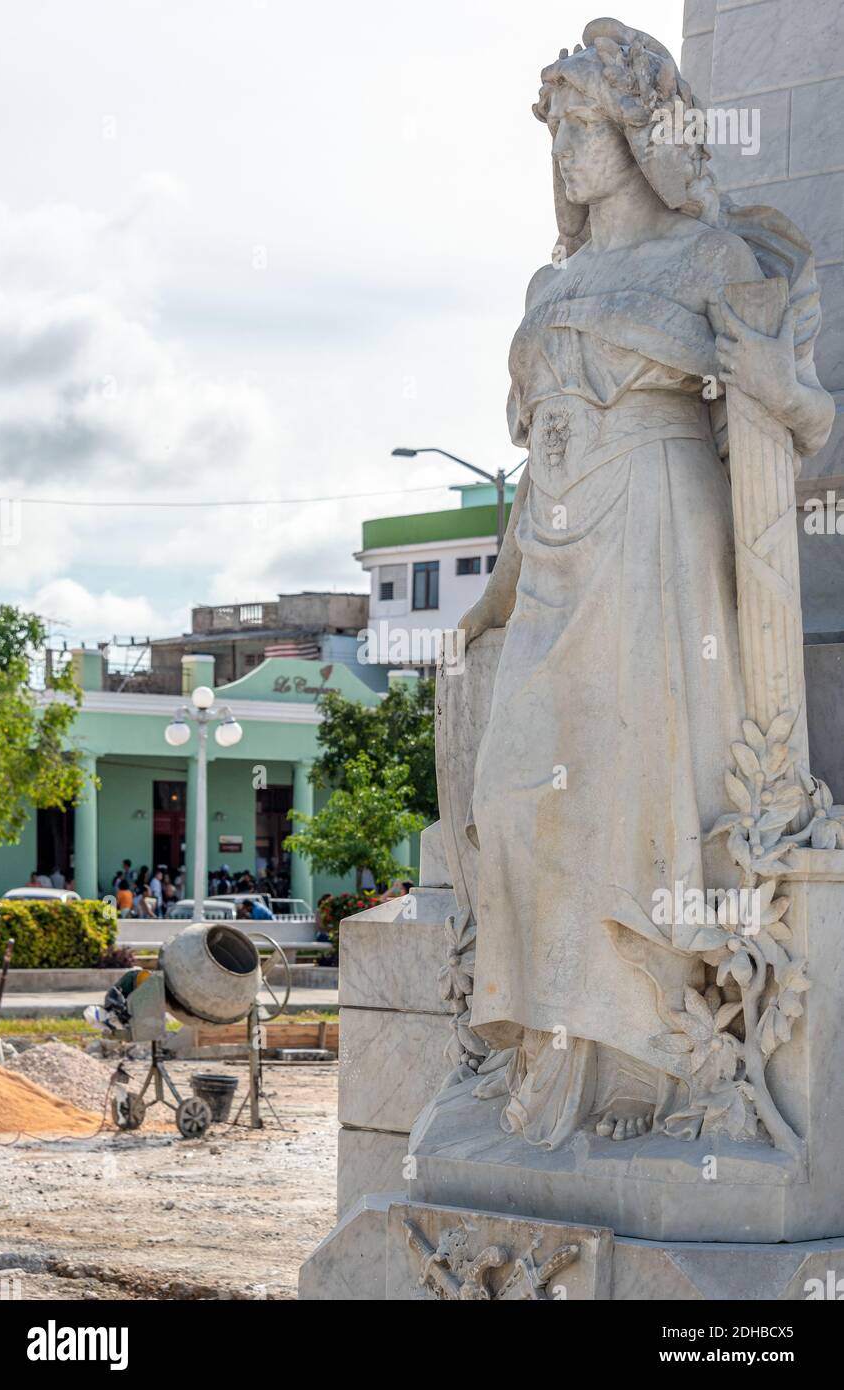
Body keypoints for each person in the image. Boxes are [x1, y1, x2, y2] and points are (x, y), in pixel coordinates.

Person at [448, 20, 834, 1150]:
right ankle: (545, 1043)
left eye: (584, 126)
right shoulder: (549, 280)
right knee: (512, 798)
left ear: (640, 133)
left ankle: (642, 1060)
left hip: (658, 534)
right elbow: (537, 460)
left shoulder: (710, 260)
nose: (565, 149)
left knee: (628, 802)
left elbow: (802, 419)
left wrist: (789, 398)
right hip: (559, 544)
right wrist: (497, 595)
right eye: (557, 128)